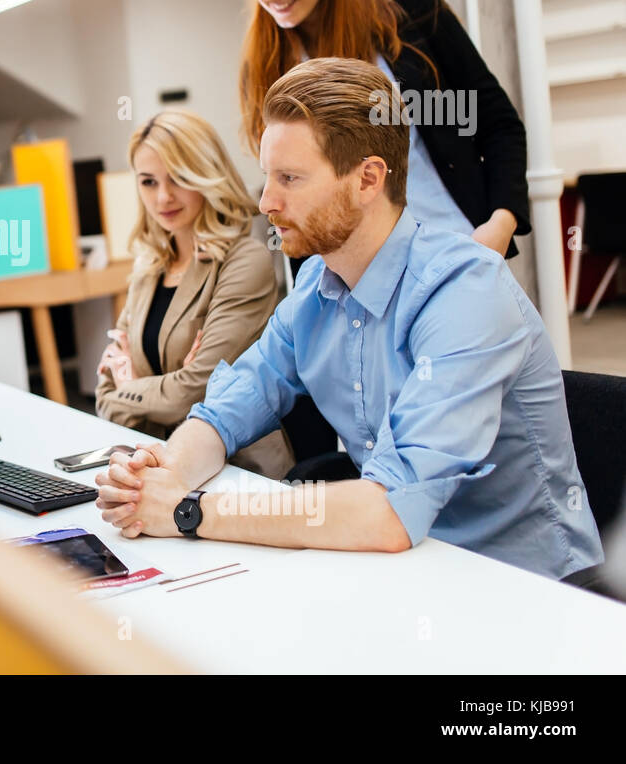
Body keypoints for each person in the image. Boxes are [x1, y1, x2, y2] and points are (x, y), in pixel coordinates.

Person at [94, 58, 603, 584]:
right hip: (403, 572)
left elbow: (388, 513)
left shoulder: (466, 293)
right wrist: (161, 477)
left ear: (367, 179)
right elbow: (225, 411)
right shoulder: (317, 286)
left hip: (524, 589)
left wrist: (188, 512)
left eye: (290, 178)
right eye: (268, 176)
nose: (267, 201)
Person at [232, 0, 529, 259]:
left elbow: (496, 122)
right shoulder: (269, 62)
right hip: (354, 274)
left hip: (457, 246)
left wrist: (500, 223)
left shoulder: (407, 7)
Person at [94, 111, 294, 480]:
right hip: (155, 466)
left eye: (179, 178)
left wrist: (132, 386)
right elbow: (105, 396)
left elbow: (194, 394)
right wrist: (163, 388)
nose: (164, 197)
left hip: (237, 472)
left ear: (206, 174)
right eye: (149, 182)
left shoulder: (244, 262)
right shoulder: (148, 267)